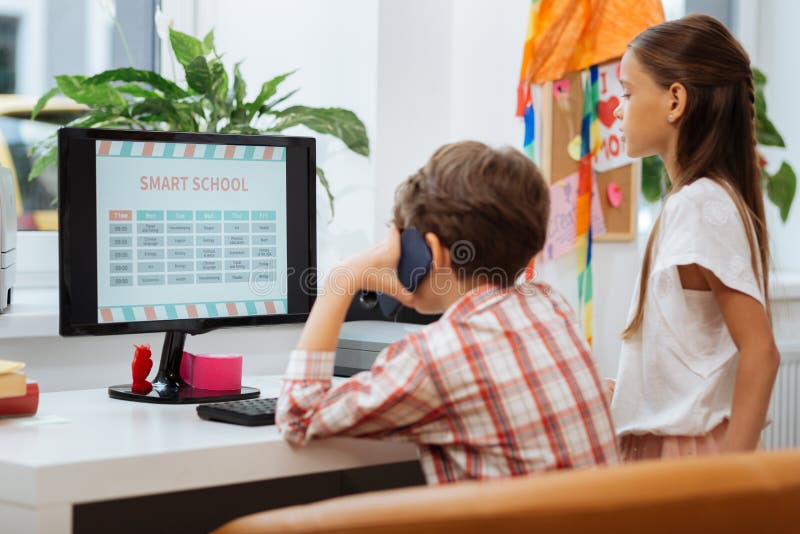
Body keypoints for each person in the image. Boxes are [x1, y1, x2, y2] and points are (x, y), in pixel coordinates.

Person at [276, 140, 618, 484]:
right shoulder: (550, 305)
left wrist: (344, 276)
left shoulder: (437, 358)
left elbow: (298, 416)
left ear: (432, 252)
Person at [610, 14, 780, 460]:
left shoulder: (701, 204)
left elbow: (761, 352)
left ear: (675, 101)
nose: (617, 108)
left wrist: (730, 480)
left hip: (690, 458)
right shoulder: (697, 202)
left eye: (627, 93)